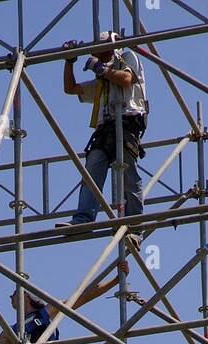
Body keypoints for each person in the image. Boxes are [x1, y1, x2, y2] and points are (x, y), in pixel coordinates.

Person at [58, 33, 148, 243]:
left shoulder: (127, 56)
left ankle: (135, 228)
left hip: (127, 123)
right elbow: (70, 89)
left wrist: (101, 68)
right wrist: (69, 62)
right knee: (92, 170)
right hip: (105, 130)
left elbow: (125, 79)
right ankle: (83, 220)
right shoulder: (103, 82)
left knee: (129, 174)